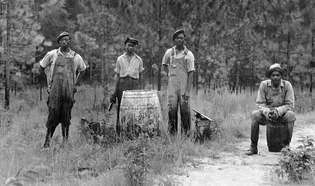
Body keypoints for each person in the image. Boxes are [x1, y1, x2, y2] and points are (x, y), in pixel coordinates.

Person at [40, 31, 87, 148]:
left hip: (68, 92)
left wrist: (75, 84)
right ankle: (47, 142)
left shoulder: (76, 57)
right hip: (55, 92)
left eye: (67, 39)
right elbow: (42, 66)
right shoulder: (52, 55)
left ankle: (65, 142)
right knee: (53, 116)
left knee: (66, 117)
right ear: (59, 42)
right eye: (63, 40)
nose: (65, 41)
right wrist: (48, 82)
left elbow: (83, 69)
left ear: (69, 41)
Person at [246, 63, 295, 155]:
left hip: (282, 114)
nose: (275, 77)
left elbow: (289, 104)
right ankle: (253, 147)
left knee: (291, 115)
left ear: (281, 76)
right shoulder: (264, 85)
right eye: (273, 75)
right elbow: (260, 103)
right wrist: (267, 112)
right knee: (255, 115)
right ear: (270, 76)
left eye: (278, 75)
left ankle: (287, 147)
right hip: (267, 114)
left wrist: (278, 111)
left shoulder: (287, 85)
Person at [161, 29, 195, 135]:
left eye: (182, 38)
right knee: (172, 110)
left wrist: (188, 91)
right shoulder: (169, 53)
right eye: (177, 38)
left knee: (185, 112)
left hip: (184, 87)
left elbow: (191, 73)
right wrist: (167, 75)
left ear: (184, 40)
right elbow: (164, 66)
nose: (180, 40)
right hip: (172, 87)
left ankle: (186, 136)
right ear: (174, 40)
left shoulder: (188, 54)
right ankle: (172, 136)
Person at [110, 37, 144, 135]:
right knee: (121, 108)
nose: (131, 47)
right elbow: (117, 76)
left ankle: (133, 132)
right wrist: (114, 92)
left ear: (135, 47)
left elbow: (140, 77)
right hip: (122, 85)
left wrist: (140, 91)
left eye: (133, 46)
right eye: (129, 45)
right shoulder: (120, 59)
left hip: (134, 85)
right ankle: (119, 133)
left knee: (134, 109)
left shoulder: (138, 60)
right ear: (125, 46)